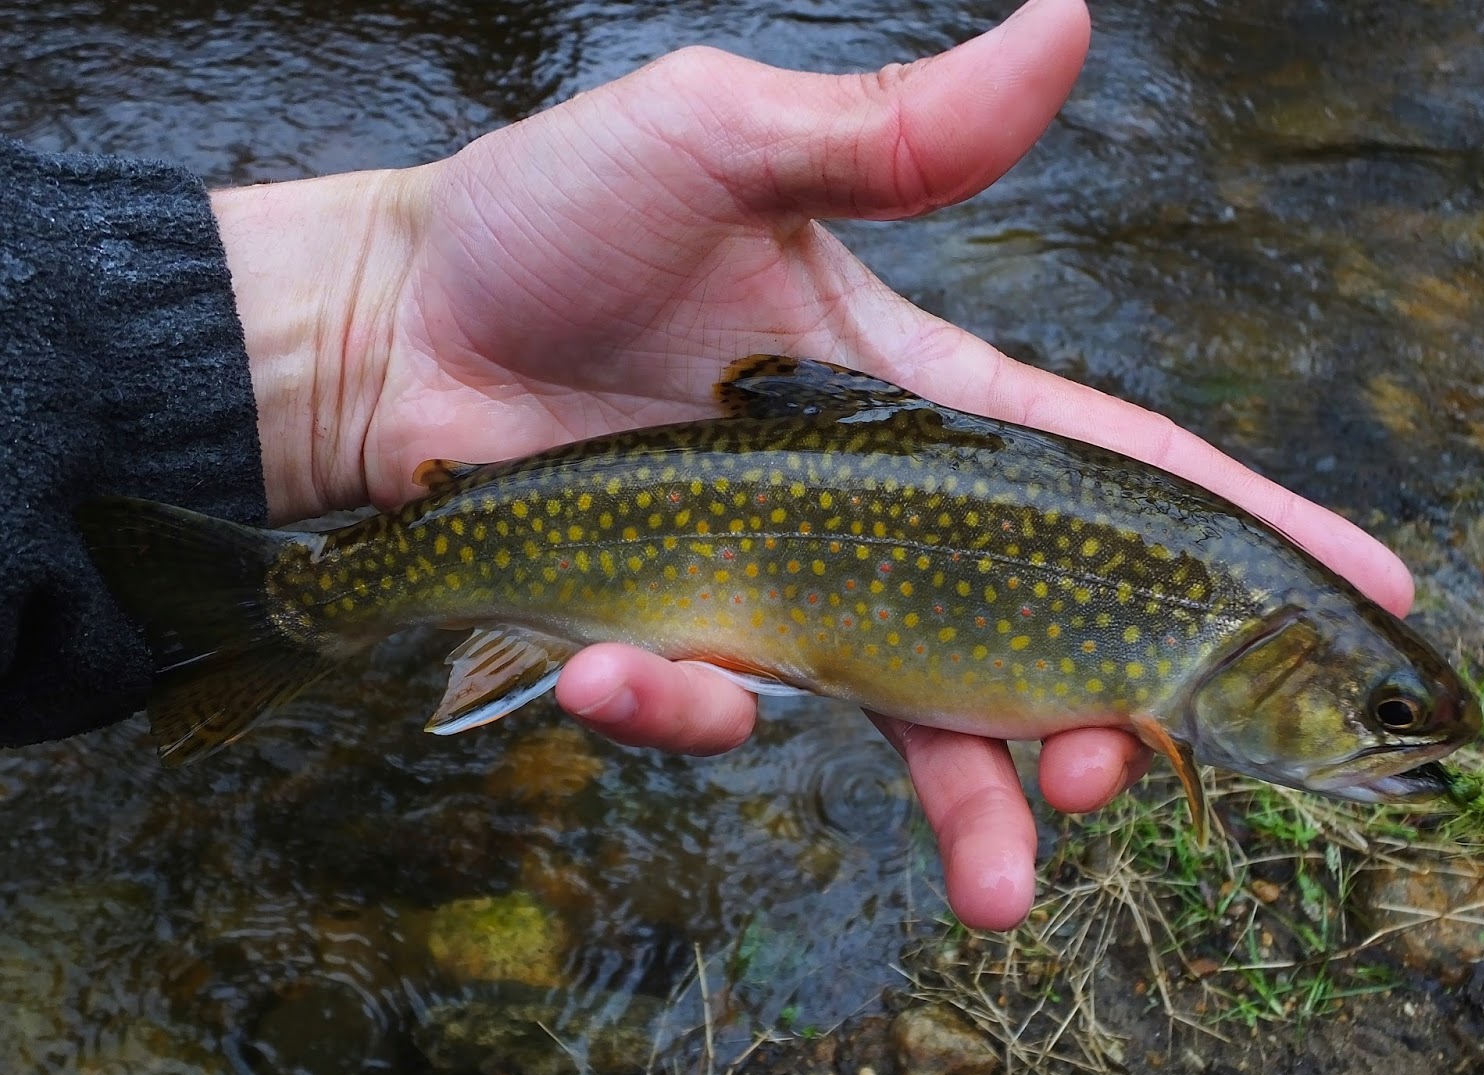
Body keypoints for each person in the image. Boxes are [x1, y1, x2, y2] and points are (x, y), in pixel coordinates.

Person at [0, 0, 1411, 931]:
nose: (1392, 749)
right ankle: (284, 604)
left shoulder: (1204, 597)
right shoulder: (1206, 600)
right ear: (1286, 664)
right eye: (1387, 719)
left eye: (1396, 722)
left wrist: (356, 322)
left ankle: (283, 604)